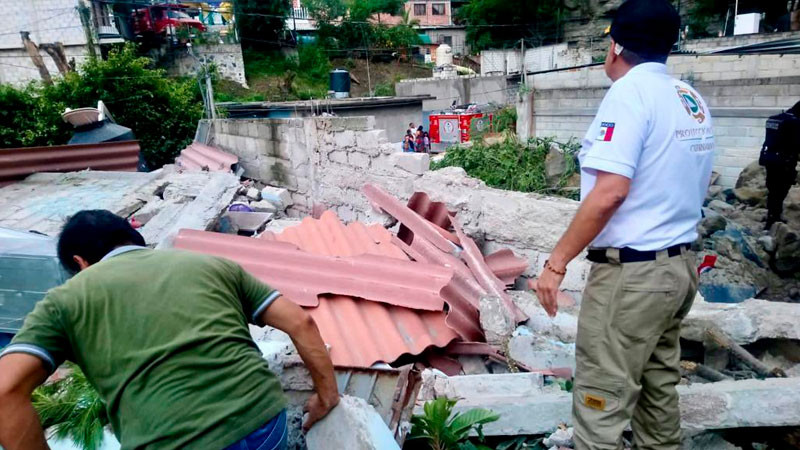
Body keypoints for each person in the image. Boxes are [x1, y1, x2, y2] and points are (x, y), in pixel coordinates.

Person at [533, 1, 715, 448]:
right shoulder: (687, 98)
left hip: (632, 279)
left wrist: (556, 264)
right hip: (678, 268)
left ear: (614, 46)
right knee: (657, 396)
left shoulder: (629, 95)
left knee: (600, 406)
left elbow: (610, 192)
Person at [0, 210, 339, 450]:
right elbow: (301, 322)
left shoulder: (64, 300)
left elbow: (5, 391)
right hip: (265, 425)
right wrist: (327, 396)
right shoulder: (210, 263)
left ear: (79, 262)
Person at [759, 101, 800, 229]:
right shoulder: (794, 121)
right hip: (784, 161)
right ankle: (773, 219)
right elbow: (796, 144)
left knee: (772, 189)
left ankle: (772, 215)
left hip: (769, 159)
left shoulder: (774, 119)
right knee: (780, 191)